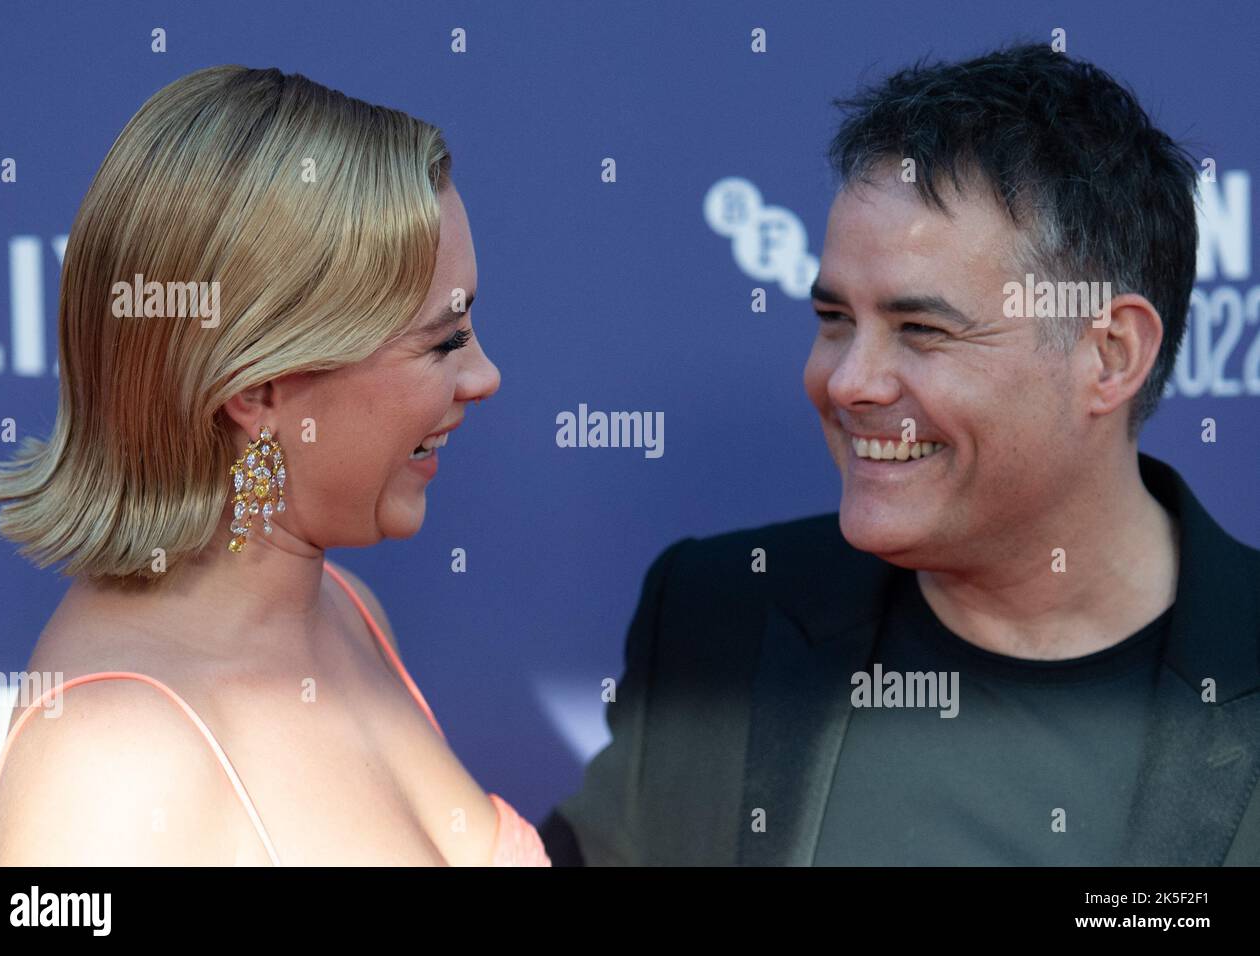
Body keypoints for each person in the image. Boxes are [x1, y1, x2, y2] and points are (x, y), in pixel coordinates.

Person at [540, 43, 1260, 866]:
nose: (849, 382)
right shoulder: (718, 621)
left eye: (923, 330)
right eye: (836, 320)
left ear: (1110, 355)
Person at [0, 65, 549, 866]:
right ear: (258, 390)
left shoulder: (347, 614)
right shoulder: (110, 766)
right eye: (443, 341)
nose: (483, 377)